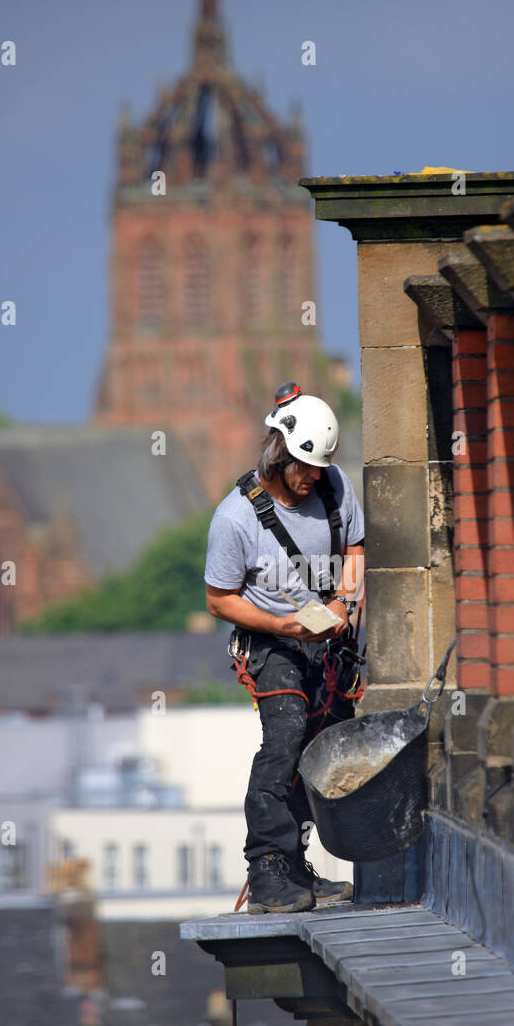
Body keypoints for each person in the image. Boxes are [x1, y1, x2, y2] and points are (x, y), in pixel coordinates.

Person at [204, 383, 365, 914]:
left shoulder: (335, 488)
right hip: (268, 643)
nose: (312, 478)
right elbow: (219, 599)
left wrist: (344, 599)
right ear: (278, 452)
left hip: (326, 641)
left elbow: (355, 546)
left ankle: (295, 866)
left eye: (318, 468)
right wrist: (283, 624)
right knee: (287, 731)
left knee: (322, 743)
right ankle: (267, 868)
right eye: (303, 467)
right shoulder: (235, 519)